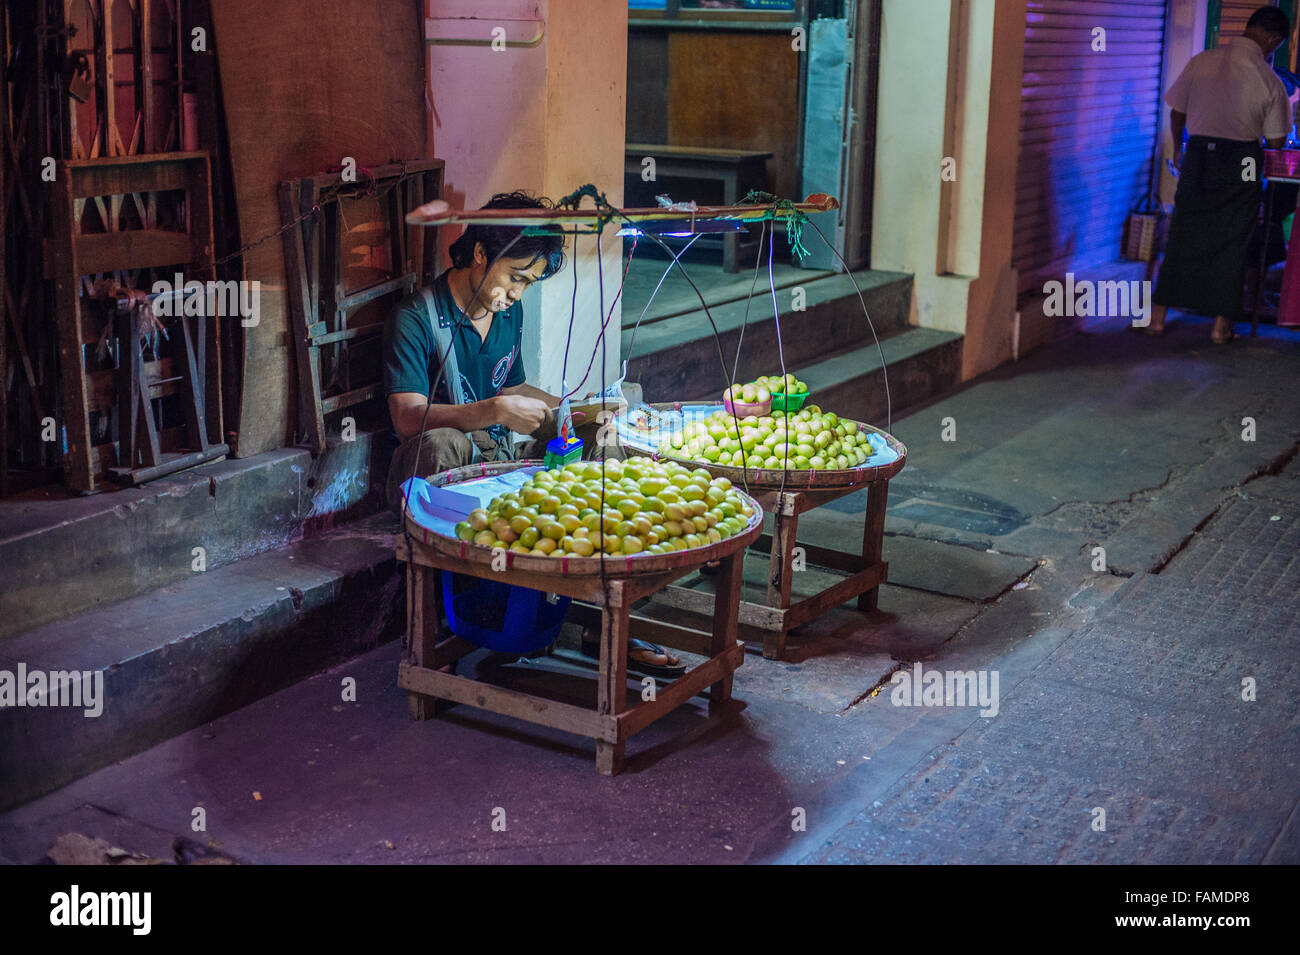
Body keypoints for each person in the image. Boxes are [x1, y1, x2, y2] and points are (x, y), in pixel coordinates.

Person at [383, 190, 684, 675]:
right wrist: (494, 410)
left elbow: (513, 382)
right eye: (515, 278)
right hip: (444, 467)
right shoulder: (416, 318)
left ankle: (601, 609)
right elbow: (406, 416)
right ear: (481, 254)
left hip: (502, 452)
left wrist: (574, 409)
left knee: (598, 438)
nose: (517, 294)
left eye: (528, 284)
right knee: (441, 444)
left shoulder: (506, 312)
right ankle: (441, 614)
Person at [1150, 6, 1293, 343]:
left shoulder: (1202, 61)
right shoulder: (1270, 80)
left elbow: (1177, 110)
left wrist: (1178, 152)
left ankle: (1157, 319)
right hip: (1243, 160)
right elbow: (1274, 142)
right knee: (1235, 237)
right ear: (1273, 40)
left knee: (1184, 231)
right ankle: (1220, 327)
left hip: (1199, 153)